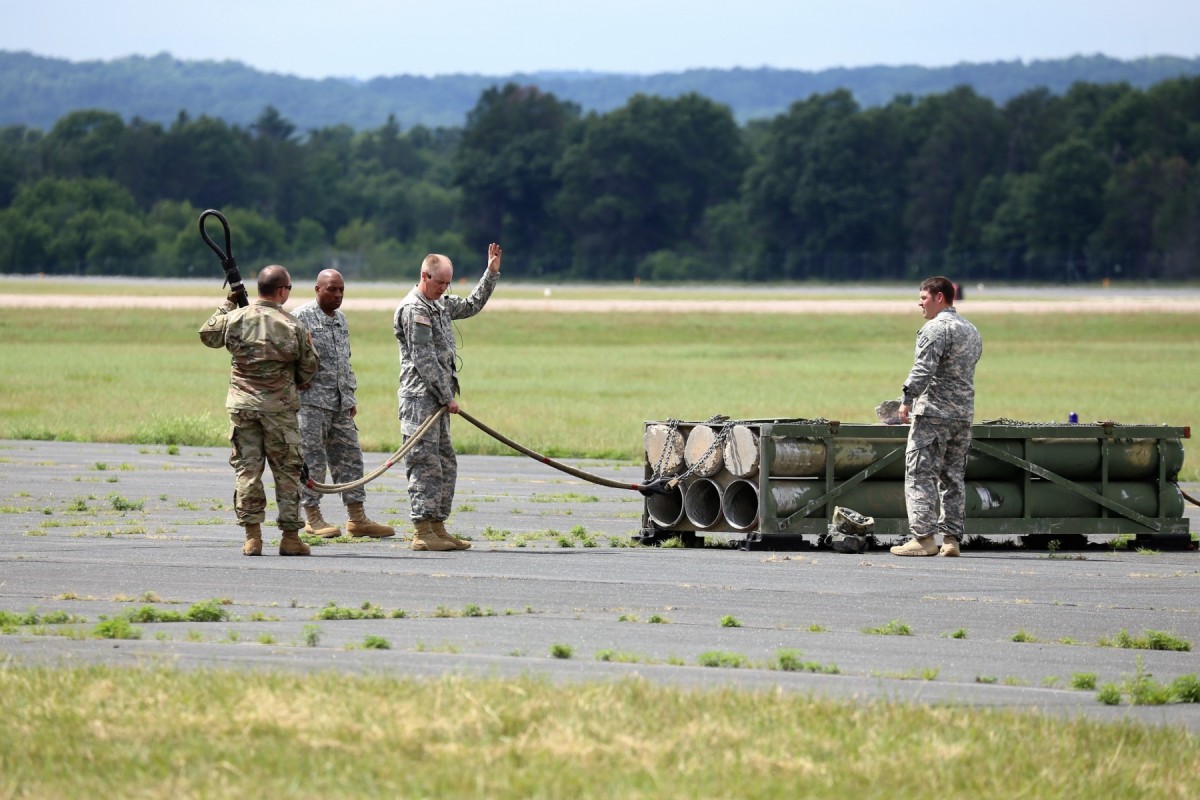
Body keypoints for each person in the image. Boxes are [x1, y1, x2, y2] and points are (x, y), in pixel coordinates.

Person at [200, 265, 320, 557]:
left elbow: (208, 335)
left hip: (243, 409)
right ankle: (290, 538)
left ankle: (252, 537)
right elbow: (309, 367)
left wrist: (229, 303)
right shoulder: (293, 325)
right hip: (280, 411)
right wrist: (293, 381)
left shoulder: (236, 318)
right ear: (281, 291)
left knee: (248, 471)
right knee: (287, 472)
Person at [393, 243, 502, 551]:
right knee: (424, 465)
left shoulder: (438, 304)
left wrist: (491, 273)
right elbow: (424, 359)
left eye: (447, 283)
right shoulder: (415, 310)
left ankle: (438, 527)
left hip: (438, 401)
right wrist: (446, 395)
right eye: (439, 282)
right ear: (424, 276)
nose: (444, 288)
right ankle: (422, 531)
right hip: (420, 400)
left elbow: (471, 305)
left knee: (444, 464)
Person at [293, 269, 394, 540]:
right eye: (331, 289)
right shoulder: (300, 317)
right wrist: (295, 381)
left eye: (341, 290)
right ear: (317, 289)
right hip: (311, 405)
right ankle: (312, 516)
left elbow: (344, 362)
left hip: (339, 404)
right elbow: (286, 358)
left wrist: (349, 397)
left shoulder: (341, 320)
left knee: (350, 459)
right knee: (312, 461)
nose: (338, 295)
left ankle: (357, 518)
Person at [890, 275, 983, 558]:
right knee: (953, 478)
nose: (920, 304)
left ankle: (924, 539)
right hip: (962, 416)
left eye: (924, 298)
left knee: (919, 475)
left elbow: (923, 368)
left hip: (933, 414)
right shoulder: (971, 329)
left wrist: (906, 399)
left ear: (939, 297)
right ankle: (951, 540)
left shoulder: (935, 329)